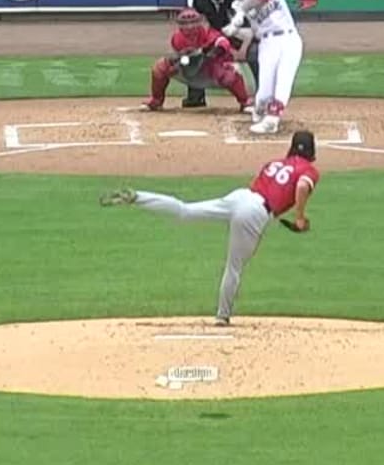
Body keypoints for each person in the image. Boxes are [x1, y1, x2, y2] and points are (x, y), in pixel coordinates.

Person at [99, 130, 320, 326]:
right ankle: (222, 316)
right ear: (312, 152)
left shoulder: (274, 163)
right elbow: (301, 186)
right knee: (234, 267)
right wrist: (300, 217)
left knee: (185, 211)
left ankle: (138, 196)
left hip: (240, 196)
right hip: (255, 212)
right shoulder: (309, 170)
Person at [225, 0, 304, 135]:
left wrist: (242, 11)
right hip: (267, 44)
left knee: (283, 80)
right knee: (264, 95)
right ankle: (260, 110)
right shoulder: (237, 4)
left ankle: (272, 120)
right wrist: (234, 28)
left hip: (289, 39)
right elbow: (249, 30)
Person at [138, 7, 255, 114]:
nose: (189, 27)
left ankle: (245, 102)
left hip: (213, 71)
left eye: (193, 22)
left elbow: (222, 43)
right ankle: (156, 101)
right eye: (185, 24)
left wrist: (212, 52)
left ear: (199, 22)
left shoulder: (208, 32)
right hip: (192, 71)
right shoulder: (177, 38)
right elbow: (185, 61)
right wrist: (174, 63)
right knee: (160, 67)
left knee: (228, 74)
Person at [182, 0, 261, 109]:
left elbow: (249, 30)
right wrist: (209, 43)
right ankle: (196, 96)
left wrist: (242, 50)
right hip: (213, 35)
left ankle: (262, 93)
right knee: (193, 52)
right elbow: (200, 24)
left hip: (236, 35)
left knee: (254, 51)